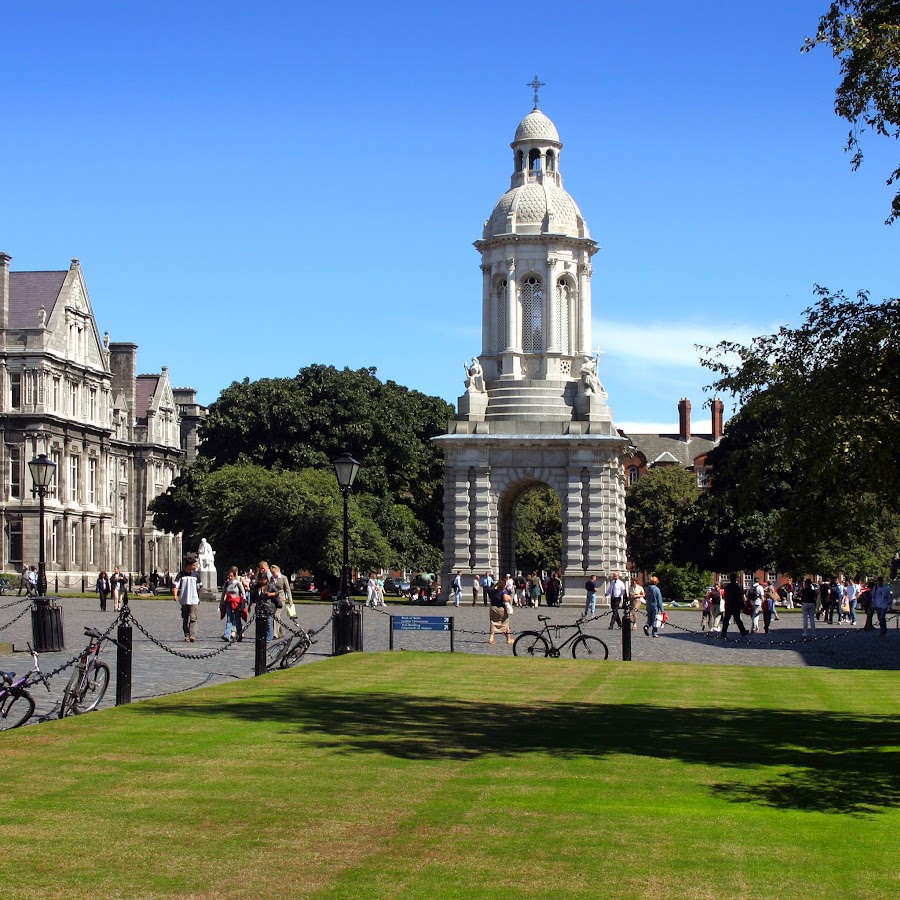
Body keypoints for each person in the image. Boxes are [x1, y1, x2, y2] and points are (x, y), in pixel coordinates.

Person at [173, 556, 201, 642]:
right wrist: (175, 595)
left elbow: (199, 587)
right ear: (188, 565)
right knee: (185, 618)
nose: (195, 567)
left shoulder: (196, 575)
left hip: (194, 599)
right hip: (184, 599)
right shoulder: (181, 575)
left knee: (193, 617)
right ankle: (187, 634)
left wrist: (198, 597)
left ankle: (192, 635)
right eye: (193, 565)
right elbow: (175, 585)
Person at [220, 566, 246, 642]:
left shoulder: (238, 583)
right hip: (229, 603)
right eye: (229, 576)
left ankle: (240, 634)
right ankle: (227, 635)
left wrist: (243, 604)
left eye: (231, 576)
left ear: (235, 576)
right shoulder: (227, 583)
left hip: (237, 603)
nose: (230, 577)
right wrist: (221, 602)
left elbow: (243, 594)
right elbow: (223, 593)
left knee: (237, 619)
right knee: (229, 619)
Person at [721, 573, 749, 639]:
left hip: (728, 605)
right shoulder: (737, 587)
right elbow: (740, 597)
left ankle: (723, 633)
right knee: (737, 619)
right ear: (736, 579)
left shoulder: (727, 587)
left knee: (726, 619)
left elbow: (725, 596)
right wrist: (743, 606)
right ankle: (742, 631)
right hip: (735, 605)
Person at [271, 565, 293, 633]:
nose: (273, 574)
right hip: (274, 598)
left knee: (276, 615)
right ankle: (281, 632)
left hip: (281, 598)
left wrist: (290, 600)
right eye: (272, 573)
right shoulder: (271, 578)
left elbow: (287, 589)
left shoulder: (283, 578)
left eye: (274, 572)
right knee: (276, 616)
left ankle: (275, 633)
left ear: (278, 571)